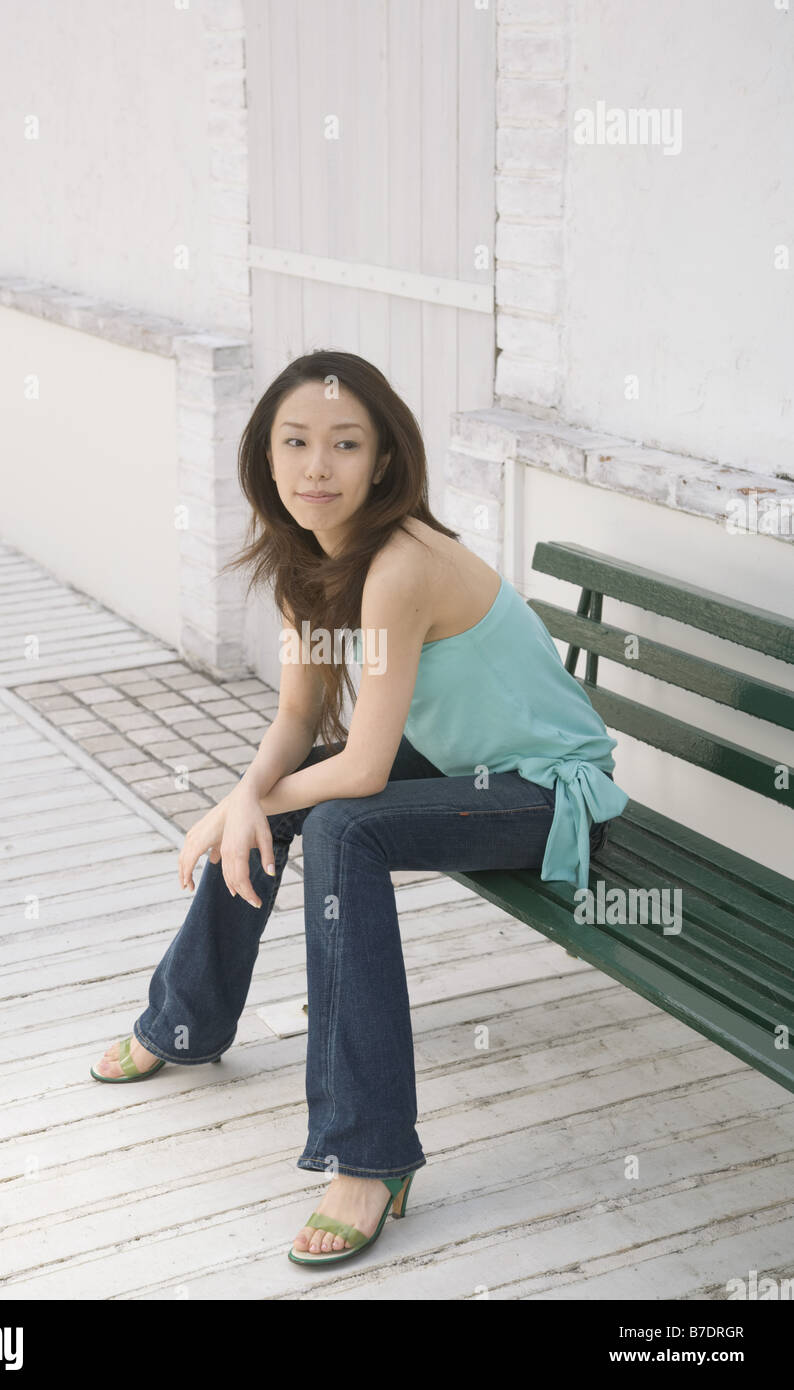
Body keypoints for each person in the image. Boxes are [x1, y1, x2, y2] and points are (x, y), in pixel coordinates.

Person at [91, 349, 630, 1266]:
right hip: (472, 761)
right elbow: (300, 717)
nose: (315, 467)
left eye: (345, 445)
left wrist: (236, 813)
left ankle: (369, 1153)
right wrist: (245, 797)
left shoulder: (402, 564)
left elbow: (367, 766)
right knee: (297, 804)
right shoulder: (311, 561)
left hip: (549, 792)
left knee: (341, 821)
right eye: (295, 442)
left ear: (383, 462)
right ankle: (184, 1018)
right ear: (265, 454)